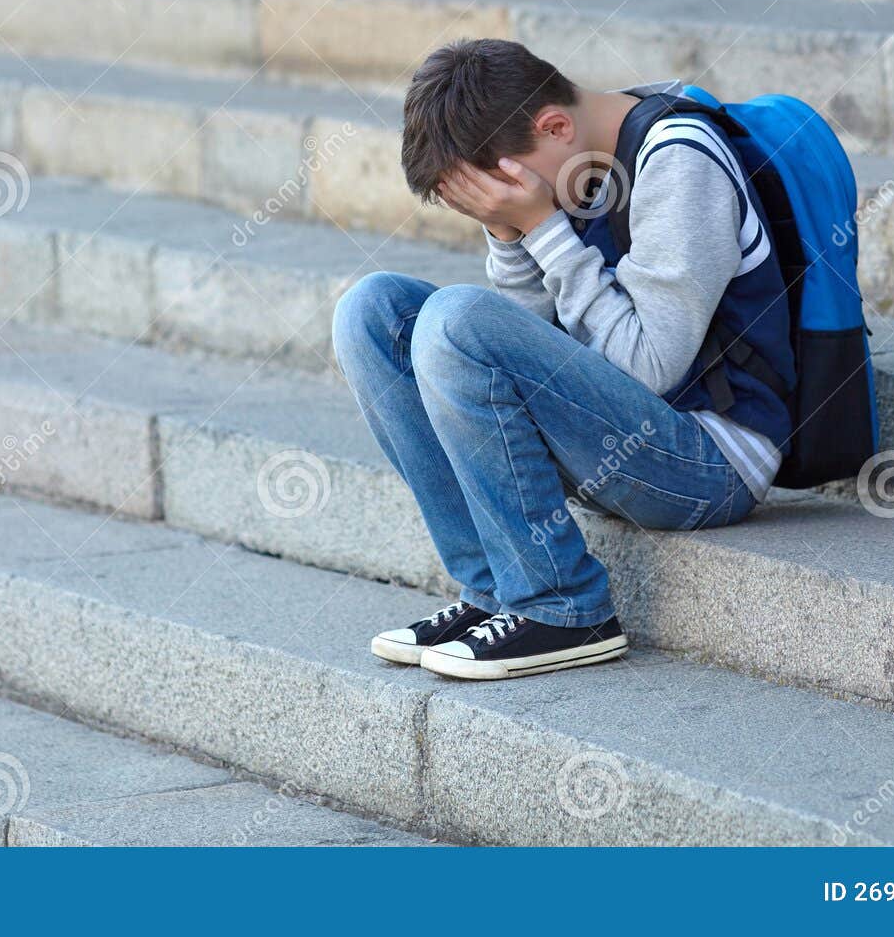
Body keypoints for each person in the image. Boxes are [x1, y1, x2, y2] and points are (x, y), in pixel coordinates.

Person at [331, 38, 794, 681]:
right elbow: (527, 340)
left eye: (504, 190)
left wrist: (544, 226)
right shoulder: (567, 156)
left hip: (707, 456)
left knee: (457, 319)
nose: (505, 205)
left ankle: (562, 605)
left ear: (554, 126)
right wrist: (511, 233)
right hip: (613, 430)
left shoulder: (680, 159)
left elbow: (648, 368)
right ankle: (495, 591)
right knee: (372, 309)